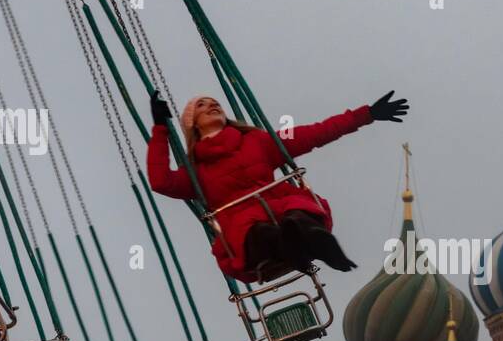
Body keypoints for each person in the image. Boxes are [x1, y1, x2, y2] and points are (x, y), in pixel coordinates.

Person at [146, 89, 408, 282]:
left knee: (294, 212)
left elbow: (315, 133)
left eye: (215, 102)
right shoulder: (195, 171)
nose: (212, 105)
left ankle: (315, 239)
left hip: (278, 205)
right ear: (192, 123)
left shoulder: (257, 141)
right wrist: (160, 130)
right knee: (254, 233)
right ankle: (290, 242)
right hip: (243, 225)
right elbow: (160, 181)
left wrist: (367, 115)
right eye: (202, 106)